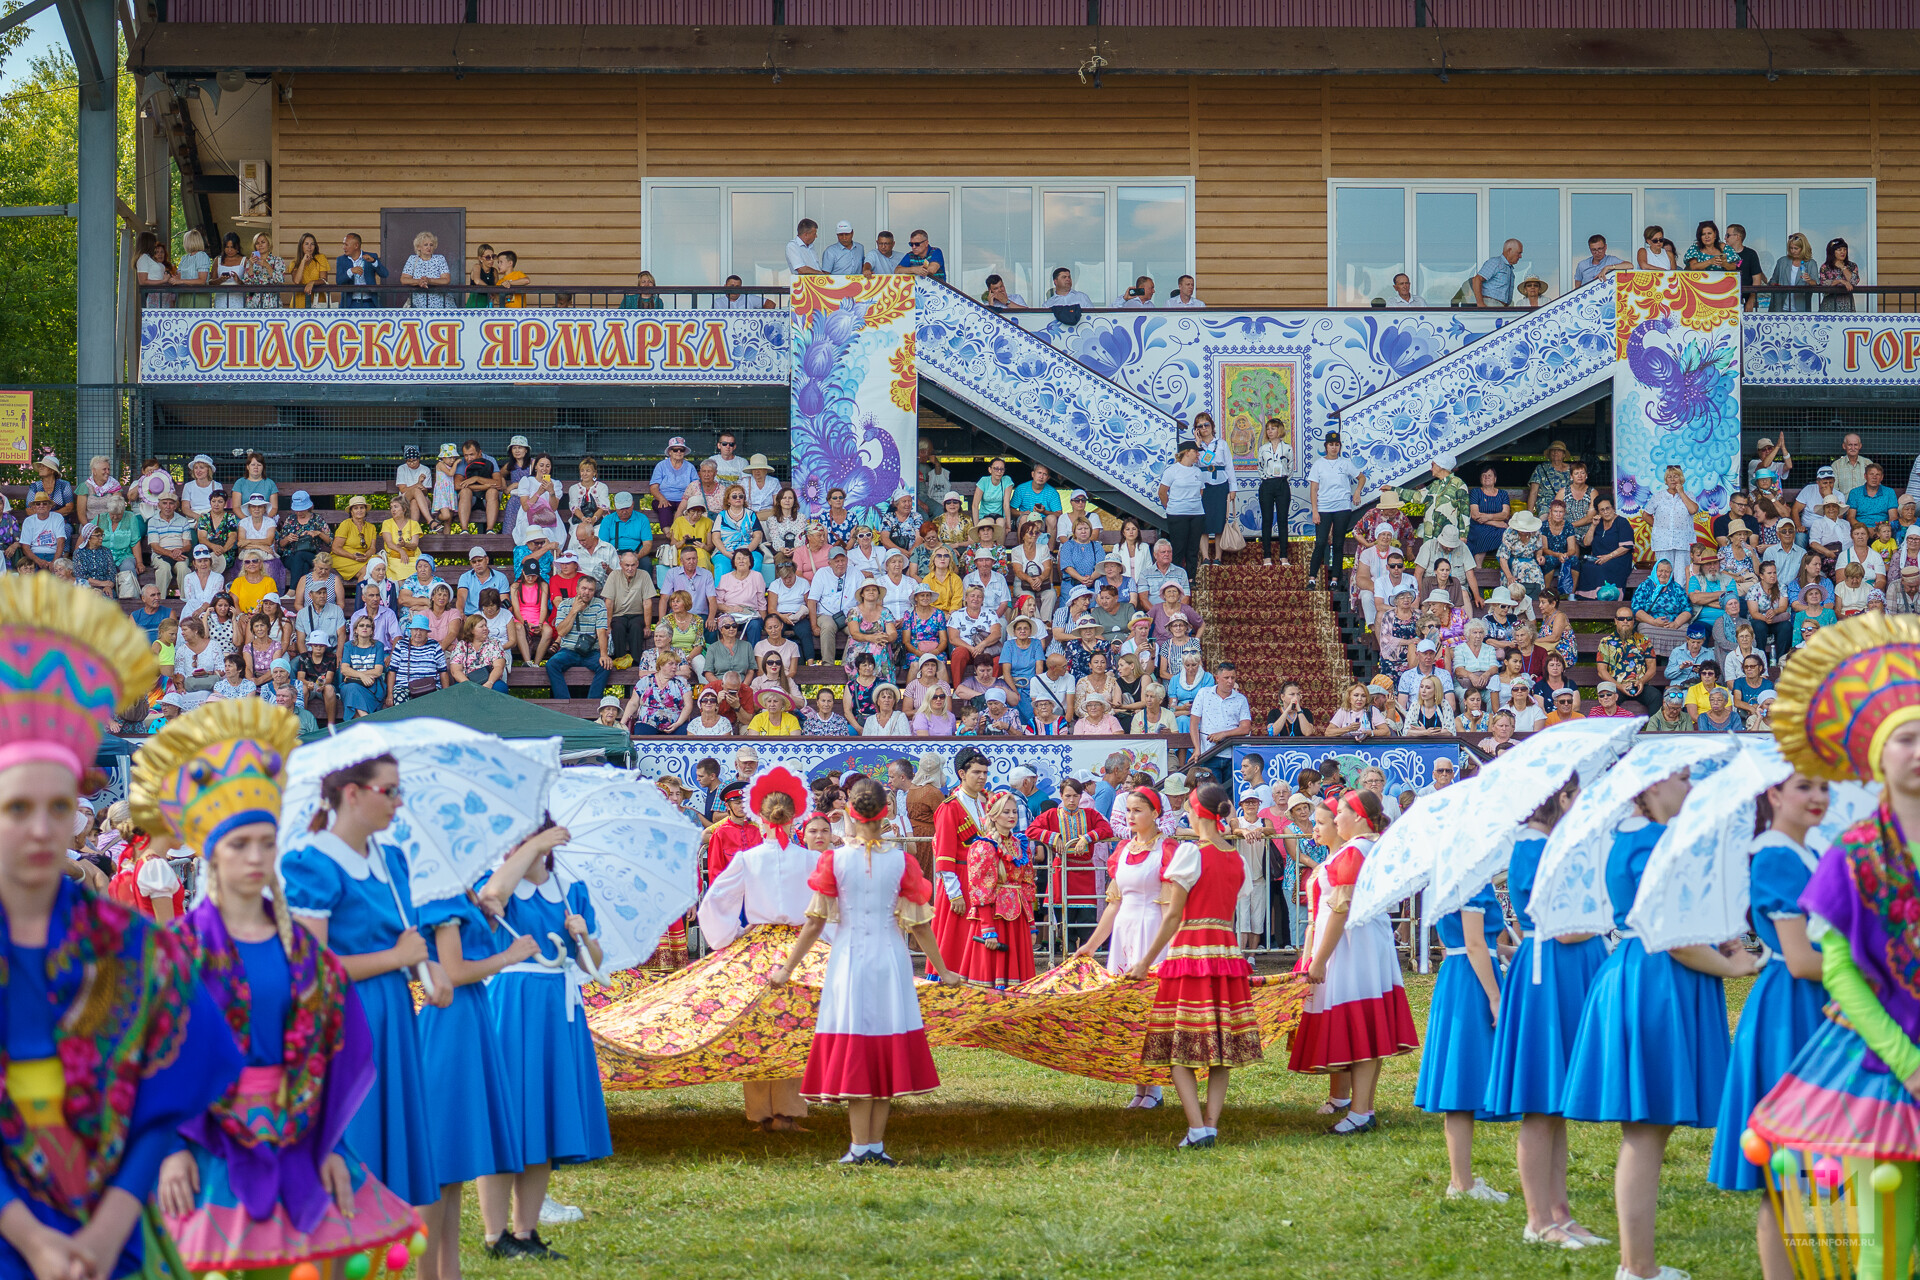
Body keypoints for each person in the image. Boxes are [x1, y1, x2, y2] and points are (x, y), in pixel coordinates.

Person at [0, 577, 244, 1280]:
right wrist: (37, 1243)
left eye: (58, 805)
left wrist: (108, 1228)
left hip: (114, 1242)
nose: (44, 829)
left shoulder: (129, 944)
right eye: (19, 808)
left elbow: (171, 1085)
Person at [136, 700, 425, 1277]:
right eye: (239, 844)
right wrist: (168, 1154)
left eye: (265, 843)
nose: (254, 857)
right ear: (211, 850)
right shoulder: (179, 951)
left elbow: (326, 1053)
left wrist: (331, 1147)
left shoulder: (302, 952)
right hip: (208, 1144)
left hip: (297, 1140)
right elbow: (152, 1058)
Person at [1560, 763, 1760, 1280]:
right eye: (1683, 778)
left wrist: (1714, 937)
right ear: (1651, 786)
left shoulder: (1626, 837)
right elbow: (1675, 939)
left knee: (1645, 1131)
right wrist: (1735, 966)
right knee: (1647, 1132)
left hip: (1635, 973)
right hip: (1659, 980)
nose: (1691, 788)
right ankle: (1638, 1267)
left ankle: (1637, 1264)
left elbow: (1668, 919)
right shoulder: (1654, 840)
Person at [280, 750, 452, 1216]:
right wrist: (397, 958)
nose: (399, 802)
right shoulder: (312, 862)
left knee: (395, 1168)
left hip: (393, 1012)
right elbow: (313, 967)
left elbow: (407, 940)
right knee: (355, 1151)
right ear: (352, 795)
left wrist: (427, 968)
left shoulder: (393, 860)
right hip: (344, 1017)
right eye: (390, 791)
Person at [770, 776, 957, 1166]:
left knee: (858, 1044)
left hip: (850, 960)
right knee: (885, 1043)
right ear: (885, 815)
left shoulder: (835, 860)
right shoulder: (901, 861)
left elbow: (815, 923)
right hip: (889, 958)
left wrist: (787, 968)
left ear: (849, 813)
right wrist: (944, 970)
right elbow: (919, 925)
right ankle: (873, 1145)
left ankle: (861, 1146)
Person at [1702, 769, 1829, 1279]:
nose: (1818, 796)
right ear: (1774, 794)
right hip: (1794, 1010)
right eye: (1803, 787)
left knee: (1822, 1161)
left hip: (1825, 1005)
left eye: (1823, 787)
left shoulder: (1810, 853)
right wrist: (1880, 969)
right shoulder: (1776, 856)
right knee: (1789, 1169)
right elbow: (1800, 959)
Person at [471, 818, 610, 1258]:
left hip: (557, 1007)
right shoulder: (498, 885)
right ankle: (496, 1235)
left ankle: (526, 1232)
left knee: (543, 1117)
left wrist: (582, 934)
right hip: (512, 1005)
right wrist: (528, 850)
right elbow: (491, 901)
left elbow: (593, 965)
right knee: (506, 1117)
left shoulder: (572, 891)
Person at [1131, 782, 1263, 1149]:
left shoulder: (1191, 853)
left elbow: (1174, 915)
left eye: (1188, 807)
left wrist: (1144, 961)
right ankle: (1209, 1124)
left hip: (1191, 950)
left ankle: (1196, 1128)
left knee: (1179, 1044)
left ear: (1198, 811)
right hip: (1225, 952)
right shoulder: (1234, 857)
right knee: (1221, 1046)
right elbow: (1235, 900)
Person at [1289, 790, 1418, 1134]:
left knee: (1360, 1025)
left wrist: (1318, 960)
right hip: (1361, 945)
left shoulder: (1356, 851)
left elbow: (1339, 910)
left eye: (1341, 812)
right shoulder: (1360, 849)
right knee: (1364, 1026)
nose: (1337, 818)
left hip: (1353, 946)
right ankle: (1360, 1108)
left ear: (1358, 817)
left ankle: (1361, 1110)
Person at [697, 768, 816, 1131]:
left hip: (758, 948)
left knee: (758, 1028)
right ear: (796, 817)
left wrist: (730, 939)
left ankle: (762, 1113)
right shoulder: (812, 859)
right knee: (794, 1028)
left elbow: (714, 901)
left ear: (759, 818)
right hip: (801, 948)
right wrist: (828, 943)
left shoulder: (748, 859)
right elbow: (831, 909)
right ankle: (789, 1112)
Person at [1415, 858, 1510, 1203]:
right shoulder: (1467, 877)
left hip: (1463, 974)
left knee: (1463, 1077)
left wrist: (1513, 952)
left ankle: (1462, 1178)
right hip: (1471, 981)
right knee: (1461, 1079)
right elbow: (1473, 944)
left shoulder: (1453, 875)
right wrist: (1496, 997)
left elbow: (1479, 943)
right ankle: (1461, 1182)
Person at [1072, 787, 1174, 1107]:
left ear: (1156, 813)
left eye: (1138, 810)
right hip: (1125, 932)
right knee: (1129, 1013)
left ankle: (1154, 1086)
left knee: (1151, 1012)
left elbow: (1173, 906)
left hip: (1154, 931)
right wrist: (1090, 946)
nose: (1131, 816)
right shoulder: (1122, 851)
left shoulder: (1168, 849)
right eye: (1128, 810)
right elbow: (1113, 906)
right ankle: (1138, 1086)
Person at [952, 791, 1036, 990]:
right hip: (994, 918)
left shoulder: (1020, 844)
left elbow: (1028, 885)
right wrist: (988, 929)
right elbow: (980, 891)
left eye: (1014, 811)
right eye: (1006, 812)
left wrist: (1031, 923)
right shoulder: (983, 846)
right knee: (991, 973)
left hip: (1018, 919)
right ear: (993, 815)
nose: (1012, 816)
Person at [1308, 432, 1365, 592]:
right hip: (1324, 508)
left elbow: (1361, 477)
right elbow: (1313, 489)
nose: (1334, 447)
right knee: (1320, 543)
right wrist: (1315, 510)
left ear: (1339, 447)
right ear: (1326, 446)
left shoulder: (1345, 463)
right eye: (1331, 444)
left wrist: (1357, 492)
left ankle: (1334, 580)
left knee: (1338, 544)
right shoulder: (1318, 464)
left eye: (1336, 445)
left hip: (1342, 507)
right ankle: (1312, 579)